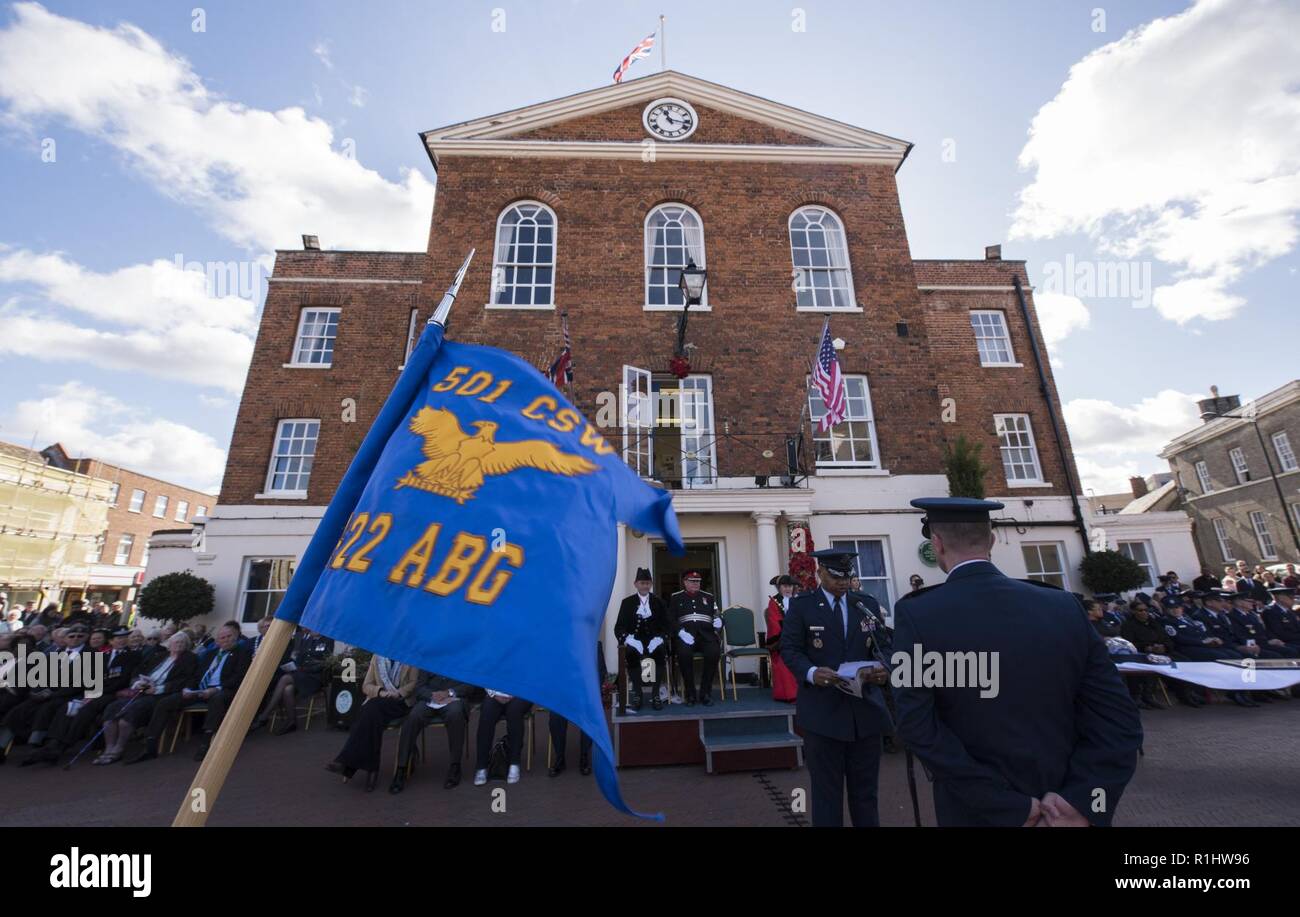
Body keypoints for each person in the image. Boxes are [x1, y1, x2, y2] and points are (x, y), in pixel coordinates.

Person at [892, 498, 1143, 826]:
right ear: (992, 540)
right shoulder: (1064, 607)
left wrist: (1003, 805)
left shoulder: (916, 615)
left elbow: (916, 725)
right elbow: (1119, 719)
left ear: (936, 543)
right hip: (1065, 809)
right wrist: (1085, 801)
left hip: (978, 813)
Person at [781, 548, 892, 827]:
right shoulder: (802, 605)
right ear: (820, 573)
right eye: (835, 576)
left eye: (847, 576)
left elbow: (887, 647)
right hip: (823, 713)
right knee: (826, 794)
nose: (843, 582)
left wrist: (884, 669)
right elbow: (790, 649)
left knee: (866, 794)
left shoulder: (863, 603)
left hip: (864, 713)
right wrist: (811, 672)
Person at [127, 621, 252, 763]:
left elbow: (239, 676)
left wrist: (216, 689)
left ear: (236, 637)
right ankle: (150, 744)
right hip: (199, 690)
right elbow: (196, 675)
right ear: (217, 640)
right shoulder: (210, 654)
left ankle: (206, 743)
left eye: (229, 636)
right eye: (222, 637)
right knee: (166, 702)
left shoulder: (242, 653)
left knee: (217, 699)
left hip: (223, 689)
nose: (226, 640)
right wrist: (189, 689)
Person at [21, 627, 141, 766]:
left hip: (110, 693)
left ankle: (62, 747)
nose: (121, 640)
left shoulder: (132, 656)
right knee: (67, 707)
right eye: (118, 638)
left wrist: (94, 693)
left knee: (86, 710)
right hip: (92, 691)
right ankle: (53, 743)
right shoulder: (103, 655)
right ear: (111, 641)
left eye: (124, 638)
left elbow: (122, 680)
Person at [94, 632, 199, 765]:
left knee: (131, 711)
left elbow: (187, 680)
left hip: (160, 694)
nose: (178, 645)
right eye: (175, 642)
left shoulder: (190, 658)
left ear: (187, 645)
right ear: (169, 644)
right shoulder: (159, 656)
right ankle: (108, 748)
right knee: (113, 707)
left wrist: (159, 689)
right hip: (142, 690)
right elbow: (140, 670)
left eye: (182, 642)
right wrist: (138, 682)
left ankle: (118, 749)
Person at [327, 654, 419, 791]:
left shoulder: (410, 655)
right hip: (379, 701)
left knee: (367, 712)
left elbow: (414, 682)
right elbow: (366, 685)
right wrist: (380, 691)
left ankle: (349, 764)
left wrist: (399, 693)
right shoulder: (377, 656)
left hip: (400, 702)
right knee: (373, 718)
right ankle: (371, 768)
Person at [390, 670, 474, 794]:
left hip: (453, 698)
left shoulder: (463, 656)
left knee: (455, 714)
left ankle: (455, 766)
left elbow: (470, 685)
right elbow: (419, 687)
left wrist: (448, 693)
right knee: (413, 717)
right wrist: (432, 695)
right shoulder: (429, 657)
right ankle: (401, 768)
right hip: (429, 699)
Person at [251, 626, 334, 735]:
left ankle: (265, 715)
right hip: (301, 675)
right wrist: (292, 665)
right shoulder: (307, 639)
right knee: (287, 689)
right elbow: (300, 659)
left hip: (315, 678)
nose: (309, 629)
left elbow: (324, 663)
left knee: (285, 678)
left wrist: (303, 669)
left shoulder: (328, 640)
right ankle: (291, 722)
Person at [614, 567, 669, 711]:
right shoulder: (627, 603)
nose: (645, 586)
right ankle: (637, 693)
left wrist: (660, 638)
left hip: (653, 640)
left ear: (651, 584)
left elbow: (667, 625)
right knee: (631, 653)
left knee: (660, 651)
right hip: (635, 640)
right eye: (642, 583)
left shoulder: (659, 602)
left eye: (647, 583)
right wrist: (628, 639)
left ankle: (656, 694)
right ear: (635, 584)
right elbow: (619, 627)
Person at [669, 570, 722, 706]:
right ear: (685, 582)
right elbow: (670, 619)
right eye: (692, 581)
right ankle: (690, 694)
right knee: (684, 654)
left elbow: (716, 614)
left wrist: (719, 621)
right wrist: (680, 632)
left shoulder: (708, 597)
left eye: (698, 581)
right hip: (686, 636)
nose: (695, 584)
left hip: (706, 635)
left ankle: (705, 693)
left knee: (713, 653)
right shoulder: (676, 597)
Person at [473, 689, 533, 785]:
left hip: (521, 694)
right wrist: (494, 695)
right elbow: (485, 675)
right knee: (487, 711)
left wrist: (515, 694)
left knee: (514, 710)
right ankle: (481, 766)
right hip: (495, 694)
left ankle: (514, 763)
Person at [764, 574, 800, 703]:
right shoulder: (774, 602)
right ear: (779, 587)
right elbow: (774, 623)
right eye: (785, 586)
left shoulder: (798, 600)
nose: (788, 589)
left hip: (799, 639)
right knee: (784, 660)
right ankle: (788, 694)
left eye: (790, 586)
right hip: (782, 640)